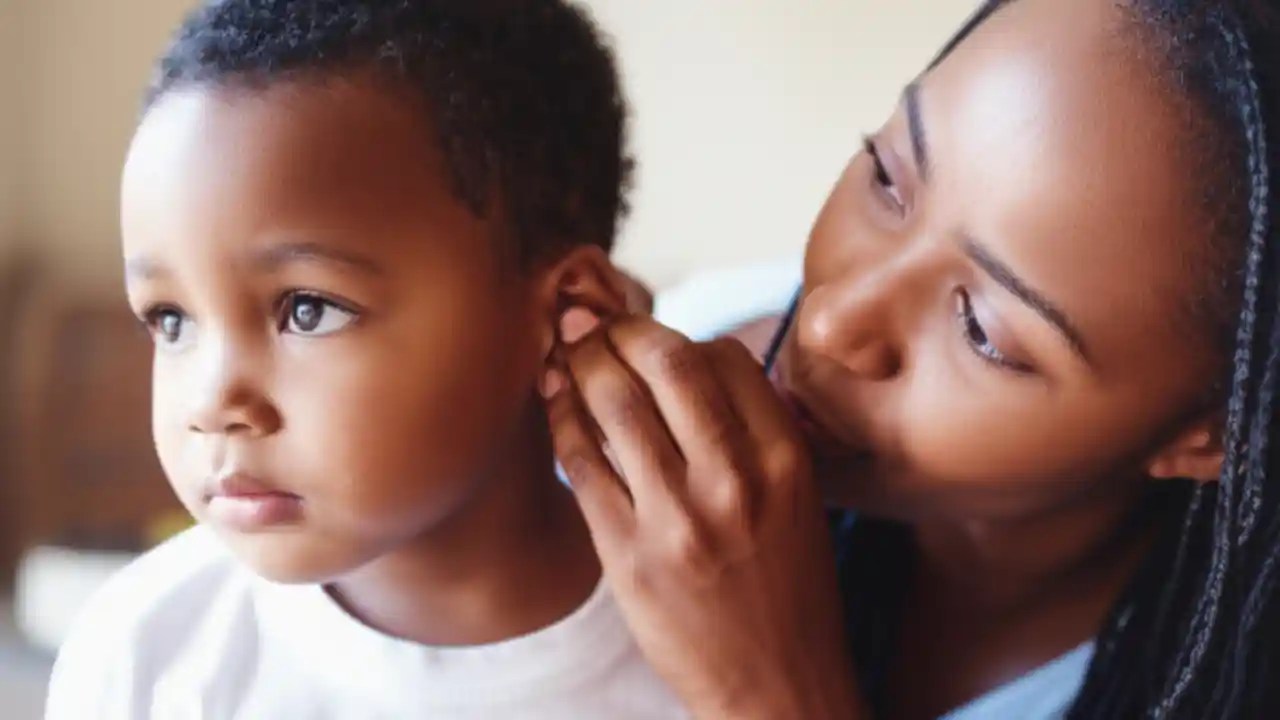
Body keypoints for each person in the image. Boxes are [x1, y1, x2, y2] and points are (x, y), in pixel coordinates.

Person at [543, 0, 1280, 718]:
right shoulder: (698, 341)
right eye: (888, 179)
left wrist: (771, 694)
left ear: (1208, 437)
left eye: (984, 333)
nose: (831, 321)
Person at [45, 1, 689, 718]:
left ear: (570, 315)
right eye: (170, 320)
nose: (210, 402)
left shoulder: (711, 654)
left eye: (308, 310)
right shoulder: (147, 652)